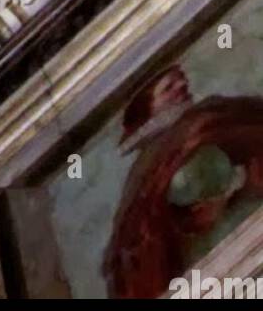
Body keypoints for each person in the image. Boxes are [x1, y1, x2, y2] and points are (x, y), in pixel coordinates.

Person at [103, 64, 263, 298]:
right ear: (148, 108)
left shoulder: (206, 119)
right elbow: (190, 187)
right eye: (169, 87)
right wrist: (237, 181)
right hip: (218, 253)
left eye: (181, 79)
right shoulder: (160, 158)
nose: (182, 85)